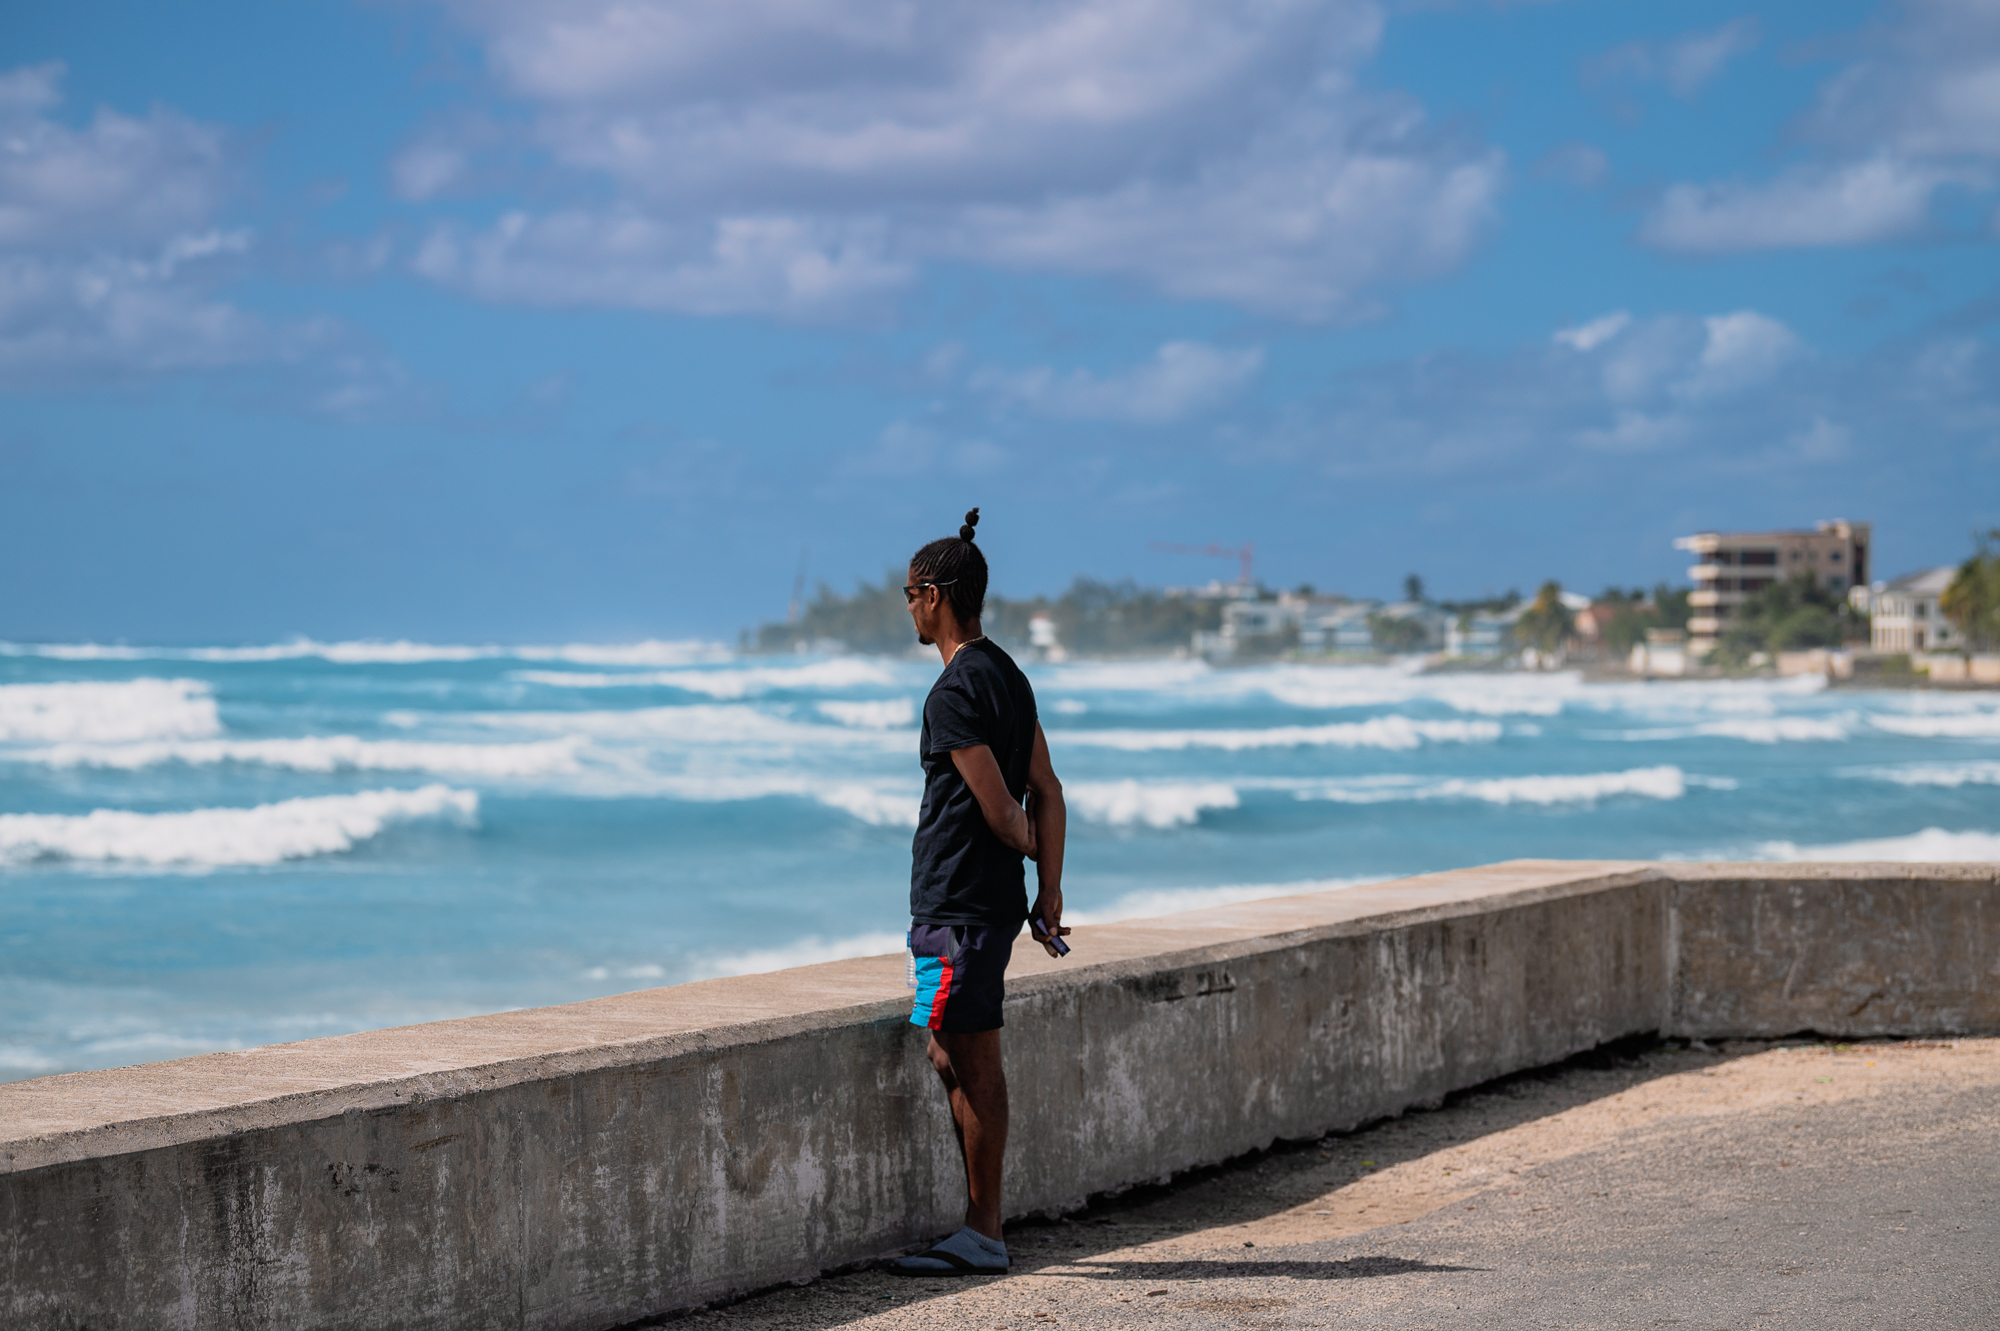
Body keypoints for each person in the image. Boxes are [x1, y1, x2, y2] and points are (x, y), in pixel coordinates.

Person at [891, 507, 1069, 1277]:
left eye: (908, 592)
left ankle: (982, 1230)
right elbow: (1049, 791)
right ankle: (980, 1226)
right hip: (979, 907)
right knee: (948, 1048)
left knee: (975, 1059)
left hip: (959, 907)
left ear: (935, 595)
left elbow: (1006, 810)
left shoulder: (955, 692)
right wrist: (1047, 890)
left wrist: (1027, 855)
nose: (906, 606)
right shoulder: (1010, 677)